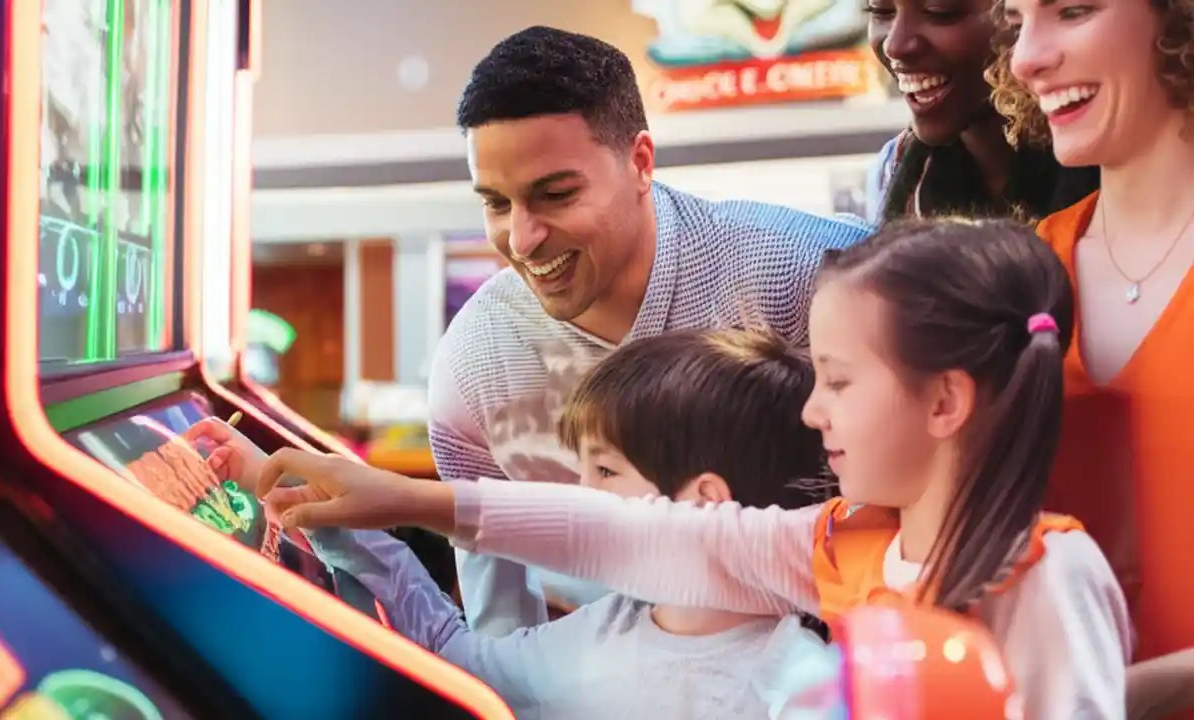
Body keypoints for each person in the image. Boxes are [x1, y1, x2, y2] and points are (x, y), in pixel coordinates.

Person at [251, 219, 1133, 718]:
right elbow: (634, 534)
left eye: (839, 381)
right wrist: (404, 499)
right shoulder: (839, 546)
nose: (814, 409)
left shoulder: (1046, 577)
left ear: (943, 403)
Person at [426, 25, 871, 635]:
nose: (522, 239)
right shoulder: (475, 366)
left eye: (555, 194)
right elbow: (500, 624)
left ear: (640, 162)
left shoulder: (797, 276)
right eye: (497, 205)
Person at [291, 329, 831, 719]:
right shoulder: (611, 626)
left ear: (704, 503)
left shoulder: (800, 680)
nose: (583, 496)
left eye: (605, 471)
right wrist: (334, 526)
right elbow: (457, 660)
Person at [988, 0, 1194, 715]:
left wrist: (1109, 698)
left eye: (1073, 11)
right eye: (1019, 21)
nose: (1026, 57)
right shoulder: (1015, 277)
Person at [861, 0, 1098, 222]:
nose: (895, 46)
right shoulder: (894, 171)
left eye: (939, 11)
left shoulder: (1116, 172)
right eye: (880, 11)